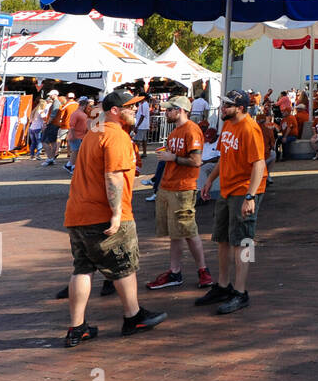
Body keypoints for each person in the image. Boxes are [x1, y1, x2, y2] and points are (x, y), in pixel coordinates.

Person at [61, 88, 166, 346]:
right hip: (102, 214)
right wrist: (117, 213)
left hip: (78, 213)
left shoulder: (93, 133)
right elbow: (113, 176)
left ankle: (77, 327)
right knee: (123, 266)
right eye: (130, 107)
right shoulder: (115, 136)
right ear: (115, 111)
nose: (136, 111)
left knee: (83, 269)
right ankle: (133, 316)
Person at [198, 90, 268, 314]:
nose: (223, 108)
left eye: (228, 105)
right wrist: (210, 180)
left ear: (241, 108)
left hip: (244, 191)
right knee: (222, 239)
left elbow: (258, 163)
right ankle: (223, 285)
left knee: (245, 241)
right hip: (227, 190)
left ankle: (241, 291)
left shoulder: (250, 128)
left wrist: (250, 196)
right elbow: (224, 157)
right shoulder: (228, 125)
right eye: (223, 104)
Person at [145, 96, 213, 291]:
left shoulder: (191, 130)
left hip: (183, 187)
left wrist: (172, 157)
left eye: (169, 110)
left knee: (188, 230)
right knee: (176, 233)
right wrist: (169, 157)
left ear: (180, 110)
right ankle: (175, 271)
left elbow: (196, 161)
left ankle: (202, 270)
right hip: (169, 186)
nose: (166, 113)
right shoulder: (176, 131)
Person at [63, 95, 91, 174]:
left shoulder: (80, 113)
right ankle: (72, 167)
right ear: (84, 105)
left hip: (79, 136)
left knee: (76, 152)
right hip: (76, 136)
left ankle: (69, 165)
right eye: (87, 105)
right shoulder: (76, 113)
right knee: (76, 152)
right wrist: (73, 136)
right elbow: (72, 126)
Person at [40, 91, 64, 167]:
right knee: (53, 142)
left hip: (52, 124)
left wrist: (47, 123)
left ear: (55, 95)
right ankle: (52, 158)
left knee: (44, 141)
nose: (50, 96)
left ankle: (50, 158)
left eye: (51, 95)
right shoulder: (57, 102)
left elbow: (53, 114)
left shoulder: (56, 103)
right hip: (55, 124)